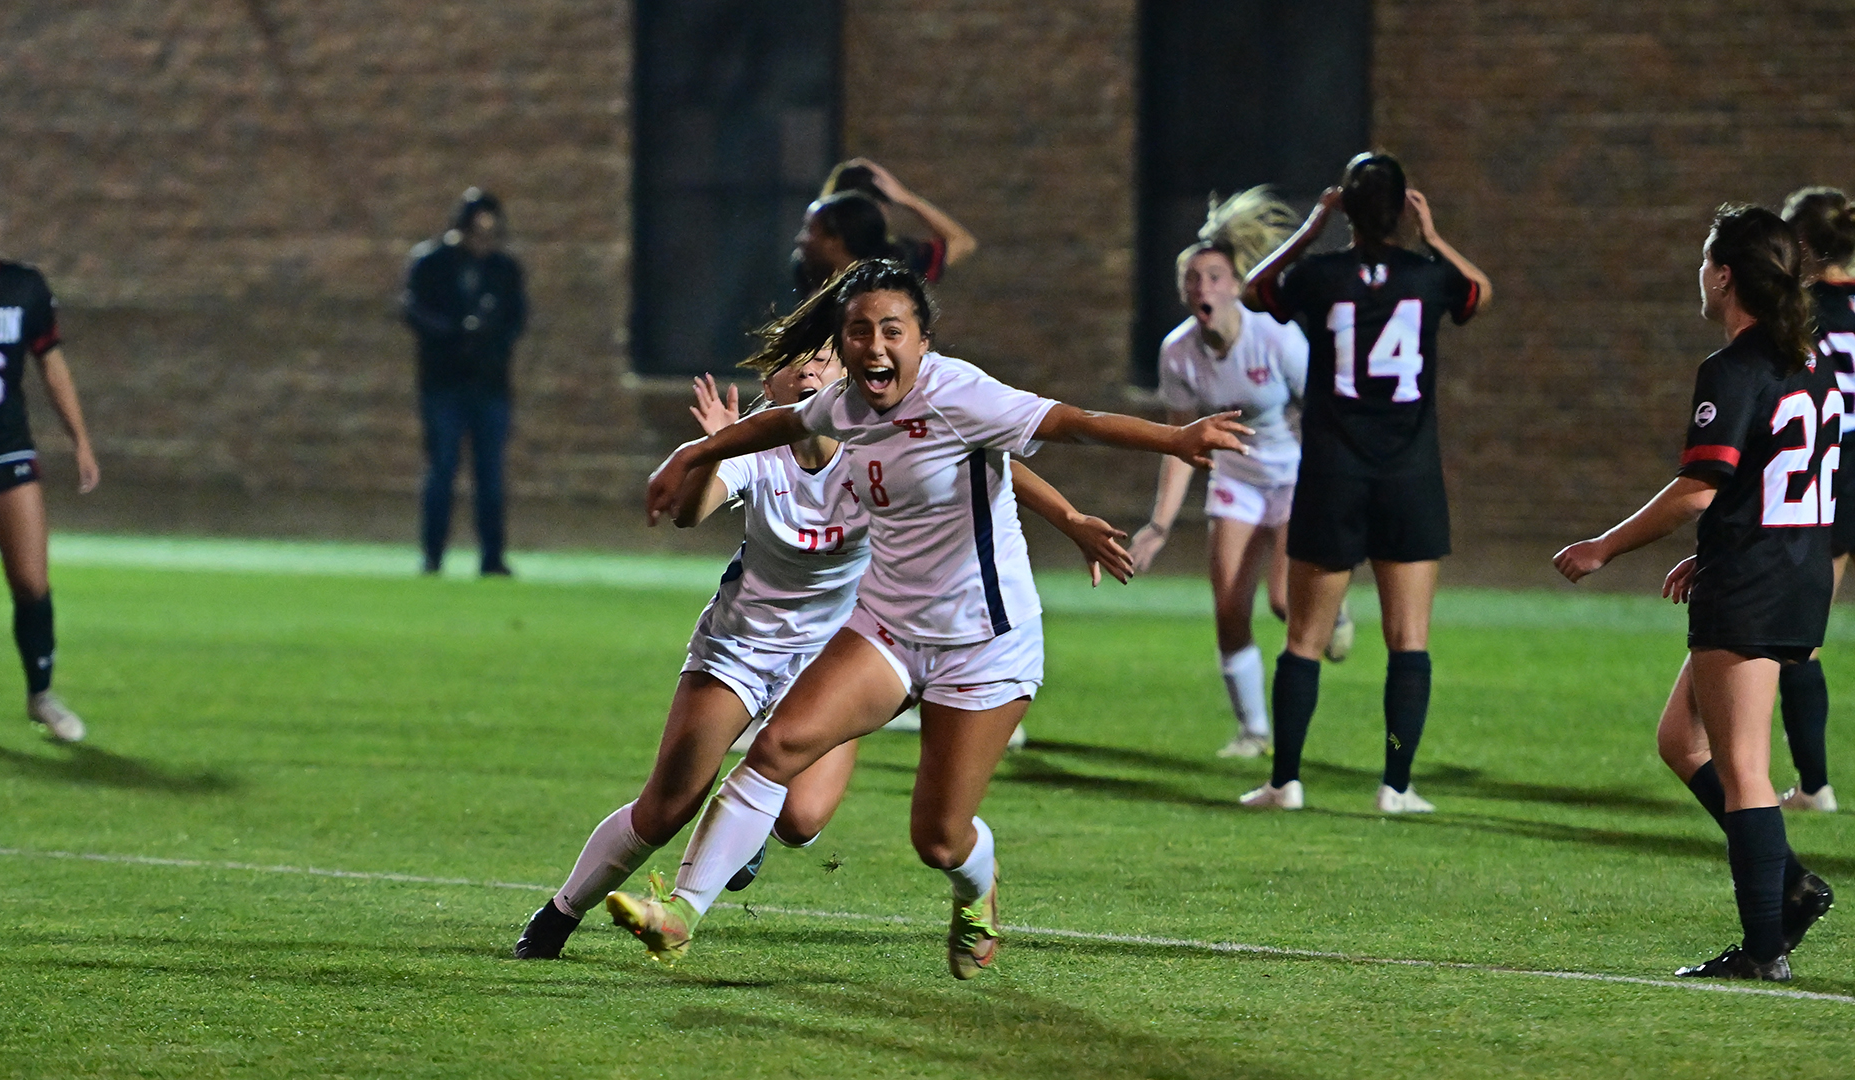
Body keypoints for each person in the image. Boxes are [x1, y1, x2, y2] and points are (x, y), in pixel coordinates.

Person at [606, 259, 1249, 978]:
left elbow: (1072, 422)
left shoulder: (961, 393)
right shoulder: (848, 403)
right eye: (858, 332)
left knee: (939, 839)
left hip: (983, 643)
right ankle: (683, 915)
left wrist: (1174, 441)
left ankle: (979, 888)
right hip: (887, 630)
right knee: (778, 747)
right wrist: (691, 454)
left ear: (922, 339)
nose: (874, 346)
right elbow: (783, 421)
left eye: (891, 331)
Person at [512, 341, 1131, 961]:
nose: (808, 369)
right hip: (739, 648)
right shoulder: (756, 445)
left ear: (843, 378)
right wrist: (712, 449)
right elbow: (689, 514)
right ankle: (558, 916)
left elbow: (985, 461)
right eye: (792, 361)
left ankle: (738, 836)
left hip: (840, 656)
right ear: (770, 383)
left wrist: (1071, 518)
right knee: (664, 808)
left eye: (823, 357)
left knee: (802, 820)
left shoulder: (879, 443)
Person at [1554, 205, 1837, 981]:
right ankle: (1787, 883)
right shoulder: (1815, 362)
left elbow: (1696, 489)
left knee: (1743, 765)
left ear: (1722, 275)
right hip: (1796, 574)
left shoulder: (1734, 368)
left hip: (1754, 584)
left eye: (1703, 260)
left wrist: (1603, 547)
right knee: (1682, 743)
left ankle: (1763, 949)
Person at [1237, 153, 1492, 813]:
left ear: (1346, 209)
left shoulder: (1319, 276)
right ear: (1405, 207)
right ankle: (1396, 788)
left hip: (1332, 473)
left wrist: (1313, 227)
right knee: (1408, 638)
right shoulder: (1429, 276)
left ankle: (1285, 781)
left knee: (1304, 640)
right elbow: (1480, 292)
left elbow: (1253, 290)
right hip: (1408, 476)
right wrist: (1432, 237)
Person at [1129, 186, 1354, 759]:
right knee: (1229, 609)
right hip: (1236, 479)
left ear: (1236, 285)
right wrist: (1157, 526)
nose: (1202, 288)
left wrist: (1337, 486)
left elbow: (1324, 411)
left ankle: (1336, 604)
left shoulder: (1276, 337)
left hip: (1296, 474)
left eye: (1214, 277)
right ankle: (1254, 730)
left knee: (1283, 602)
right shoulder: (1177, 353)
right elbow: (1181, 444)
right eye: (1192, 279)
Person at [0, 179, 100, 747]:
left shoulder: (24, 286)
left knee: (30, 578)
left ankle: (42, 695)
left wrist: (79, 439)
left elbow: (51, 365)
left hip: (4, 445)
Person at [1772, 186, 1855, 813]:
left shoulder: (1798, 312)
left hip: (1831, 479)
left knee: (1804, 638)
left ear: (1801, 244)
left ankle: (1815, 786)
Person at [403, 188, 528, 576]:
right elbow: (413, 310)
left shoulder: (504, 269)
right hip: (444, 383)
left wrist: (489, 342)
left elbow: (516, 320)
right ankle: (433, 554)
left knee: (490, 474)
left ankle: (492, 556)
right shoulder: (431, 263)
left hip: (489, 385)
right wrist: (454, 334)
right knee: (441, 469)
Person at [820, 158, 978, 284]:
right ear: (881, 210)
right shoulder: (898, 260)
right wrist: (907, 198)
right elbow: (963, 242)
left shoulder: (815, 254)